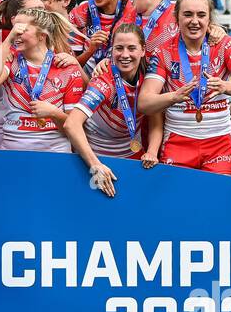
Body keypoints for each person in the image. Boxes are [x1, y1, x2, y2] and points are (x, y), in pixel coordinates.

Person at [139, 0, 231, 173]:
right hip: (178, 141)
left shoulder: (224, 44)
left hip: (219, 144)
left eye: (201, 15)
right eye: (188, 14)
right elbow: (145, 102)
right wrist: (173, 97)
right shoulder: (163, 51)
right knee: (178, 202)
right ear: (176, 17)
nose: (194, 21)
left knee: (220, 201)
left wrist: (225, 86)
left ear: (209, 19)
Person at [67, 23, 163, 196]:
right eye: (119, 48)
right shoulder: (103, 82)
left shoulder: (149, 81)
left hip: (135, 159)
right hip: (98, 161)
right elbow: (71, 124)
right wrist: (95, 165)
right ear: (111, 51)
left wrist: (152, 152)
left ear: (143, 51)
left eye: (131, 48)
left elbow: (156, 122)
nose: (125, 55)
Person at [0, 7, 86, 152]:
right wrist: (8, 41)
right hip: (12, 153)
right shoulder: (10, 59)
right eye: (15, 29)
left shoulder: (66, 68)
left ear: (41, 35)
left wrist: (54, 113)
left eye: (23, 30)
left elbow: (74, 127)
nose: (17, 34)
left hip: (54, 155)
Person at [70, 0, 131, 68]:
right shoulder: (78, 14)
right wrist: (91, 50)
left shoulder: (133, 14)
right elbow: (71, 66)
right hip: (86, 81)